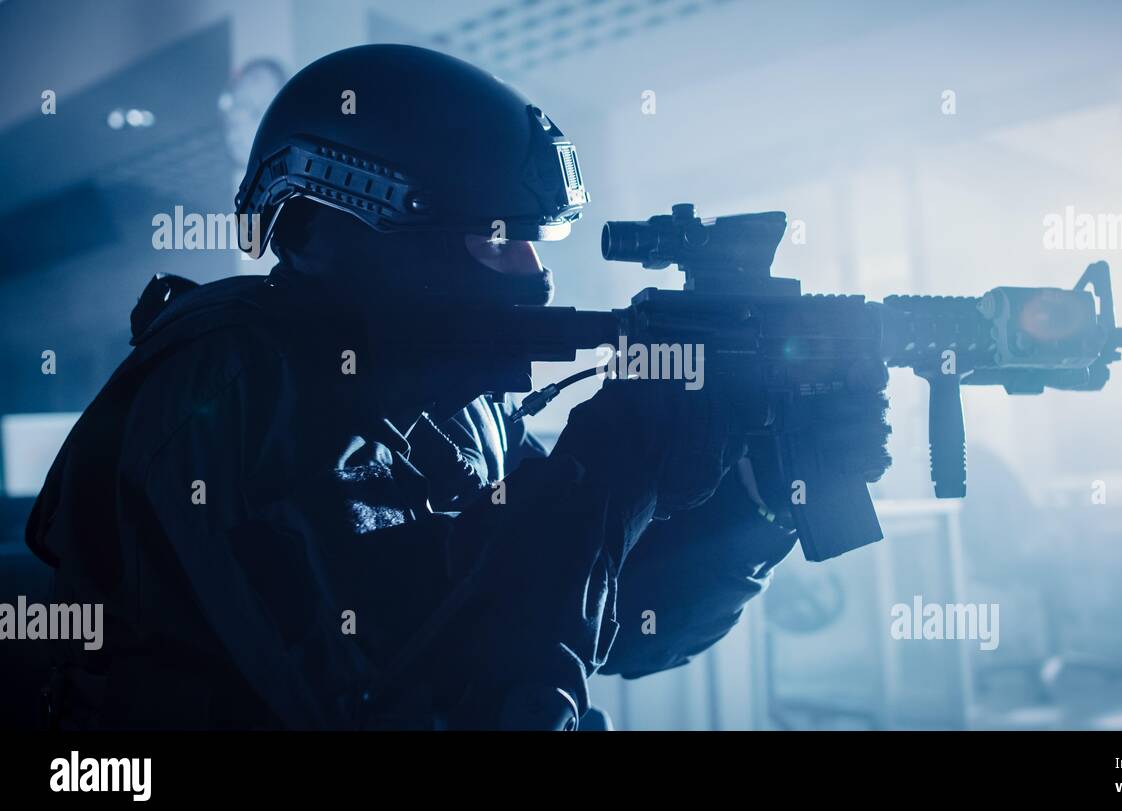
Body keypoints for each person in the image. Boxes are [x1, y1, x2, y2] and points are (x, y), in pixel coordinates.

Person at [25, 44, 884, 729]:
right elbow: (419, 702)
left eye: (535, 240)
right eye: (495, 239)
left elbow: (612, 617)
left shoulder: (462, 406)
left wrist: (758, 498)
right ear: (348, 228)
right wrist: (609, 470)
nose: (535, 273)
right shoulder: (224, 390)